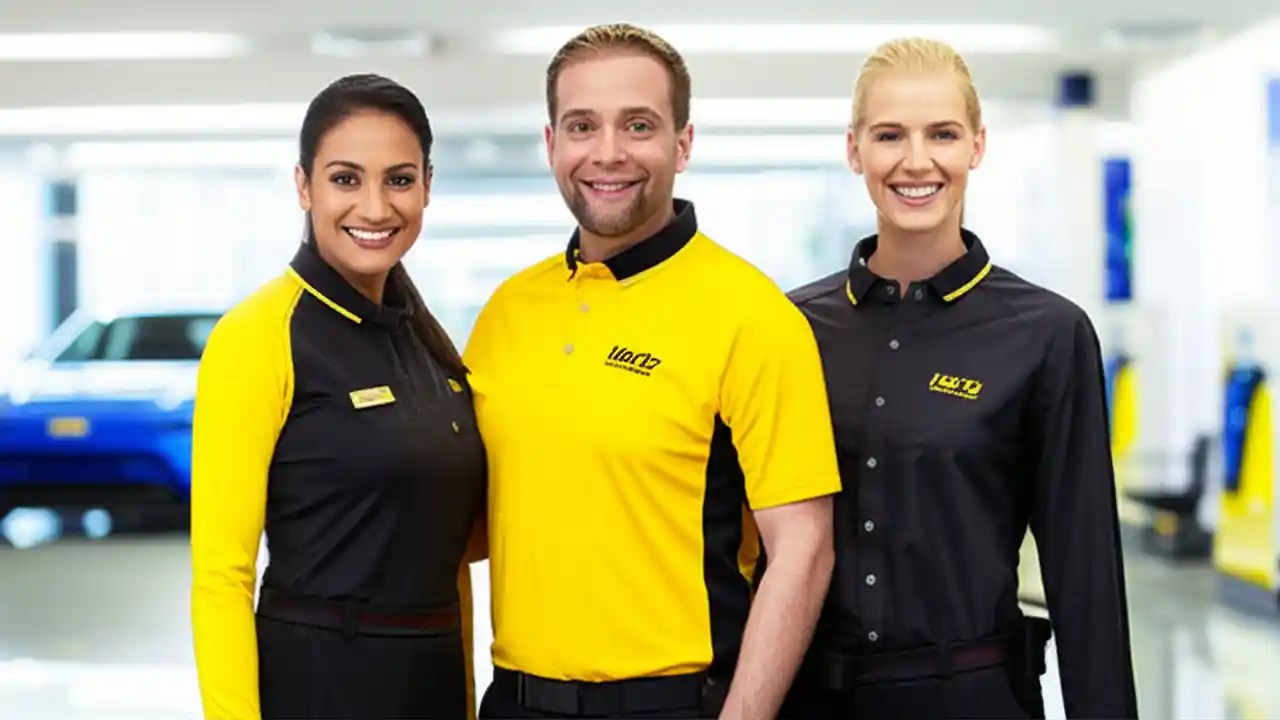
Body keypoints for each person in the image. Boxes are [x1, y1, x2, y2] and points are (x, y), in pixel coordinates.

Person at [462, 22, 842, 720]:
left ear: (683, 143)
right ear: (551, 145)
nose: (607, 153)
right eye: (582, 126)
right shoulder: (506, 313)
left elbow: (804, 548)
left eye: (638, 125)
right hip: (513, 701)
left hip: (675, 704)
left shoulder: (751, 315)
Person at [781, 37, 1138, 719]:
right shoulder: (789, 328)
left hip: (975, 699)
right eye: (890, 135)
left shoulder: (1046, 335)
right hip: (814, 702)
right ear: (854, 149)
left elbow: (1085, 574)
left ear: (976, 145)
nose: (917, 161)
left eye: (942, 133)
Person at [189, 73, 486, 720]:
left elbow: (447, 546)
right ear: (304, 185)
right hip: (320, 681)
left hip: (431, 677)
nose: (375, 208)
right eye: (346, 179)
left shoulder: (427, 342)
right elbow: (221, 576)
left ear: (428, 185)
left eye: (400, 179)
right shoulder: (258, 336)